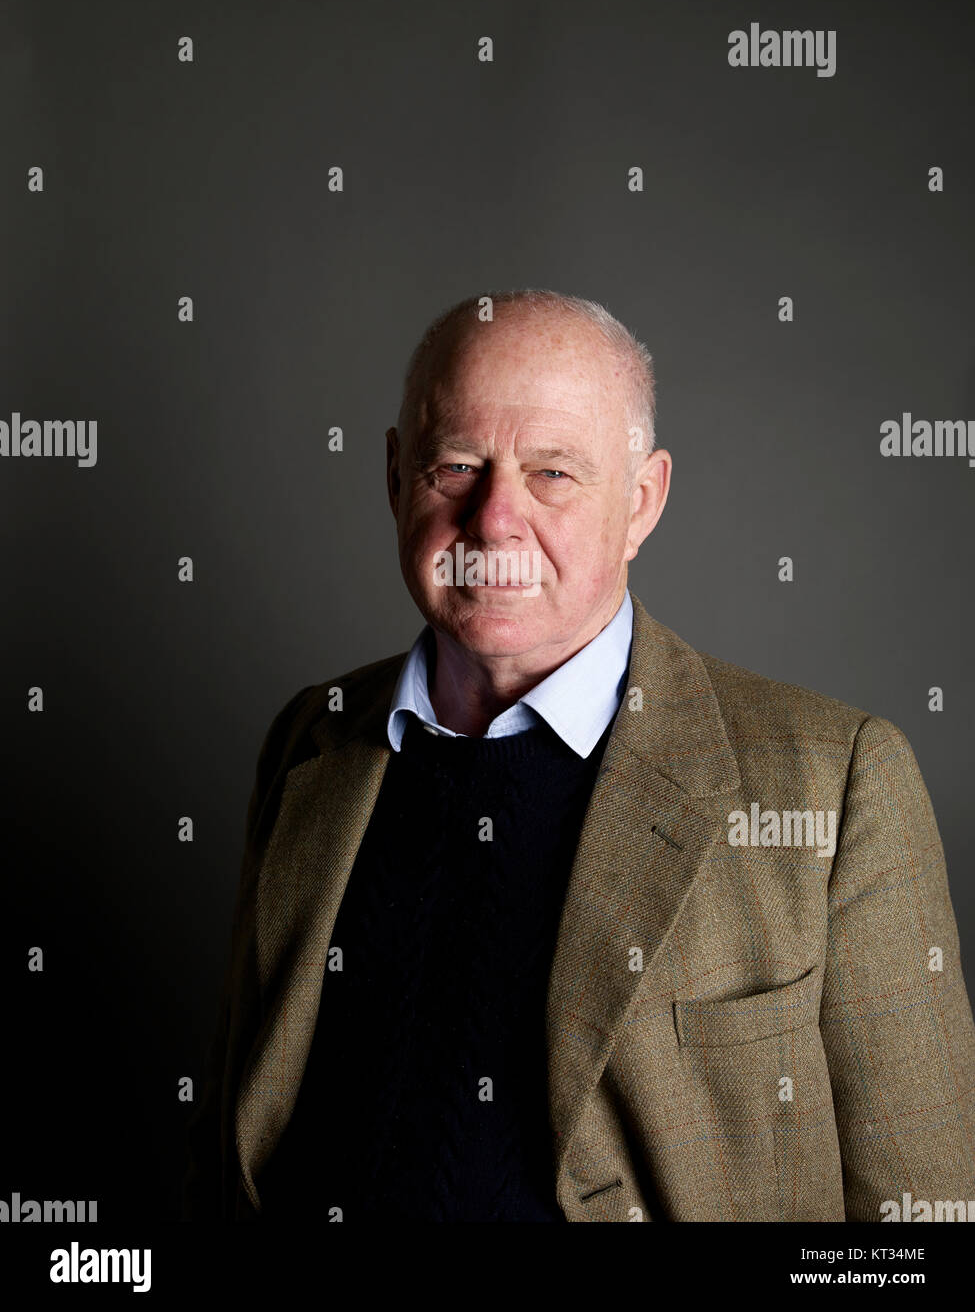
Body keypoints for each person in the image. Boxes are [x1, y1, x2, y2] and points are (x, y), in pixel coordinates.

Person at [183, 288, 975, 1222]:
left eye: (552, 473)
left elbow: (921, 1223)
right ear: (396, 478)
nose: (494, 521)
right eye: (455, 466)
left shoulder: (834, 784)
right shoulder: (308, 740)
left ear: (641, 502)